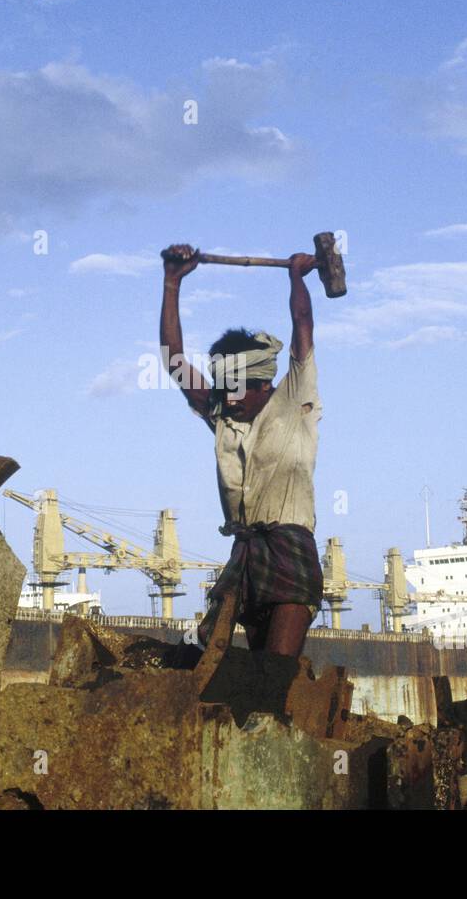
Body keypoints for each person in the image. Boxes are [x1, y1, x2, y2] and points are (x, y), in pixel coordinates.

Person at [158, 243, 324, 659]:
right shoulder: (222, 418)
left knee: (275, 667)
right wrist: (172, 281)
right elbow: (173, 360)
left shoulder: (294, 403)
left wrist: (297, 278)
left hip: (290, 550)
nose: (228, 398)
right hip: (245, 553)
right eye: (223, 389)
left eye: (237, 389)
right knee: (243, 666)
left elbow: (302, 324)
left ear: (263, 384)